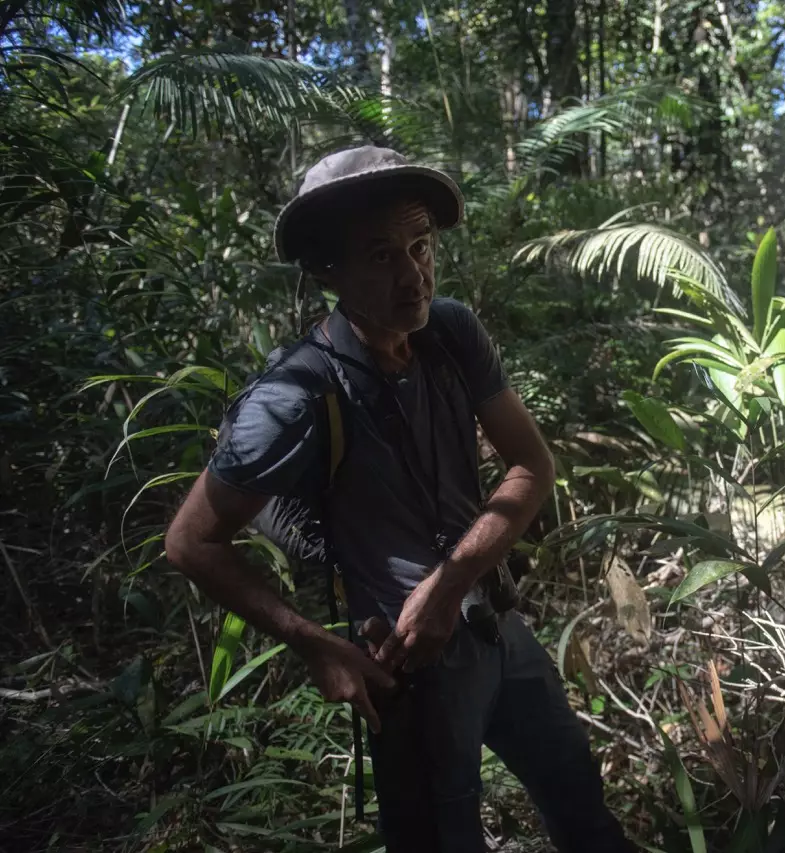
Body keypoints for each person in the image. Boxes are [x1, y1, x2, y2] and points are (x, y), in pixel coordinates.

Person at [164, 146, 634, 853]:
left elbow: (532, 463)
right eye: (381, 256)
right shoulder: (294, 397)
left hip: (495, 628)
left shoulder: (449, 333)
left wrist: (453, 580)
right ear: (327, 271)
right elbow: (191, 540)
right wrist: (313, 642)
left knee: (583, 806)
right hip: (408, 671)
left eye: (420, 246)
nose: (413, 275)